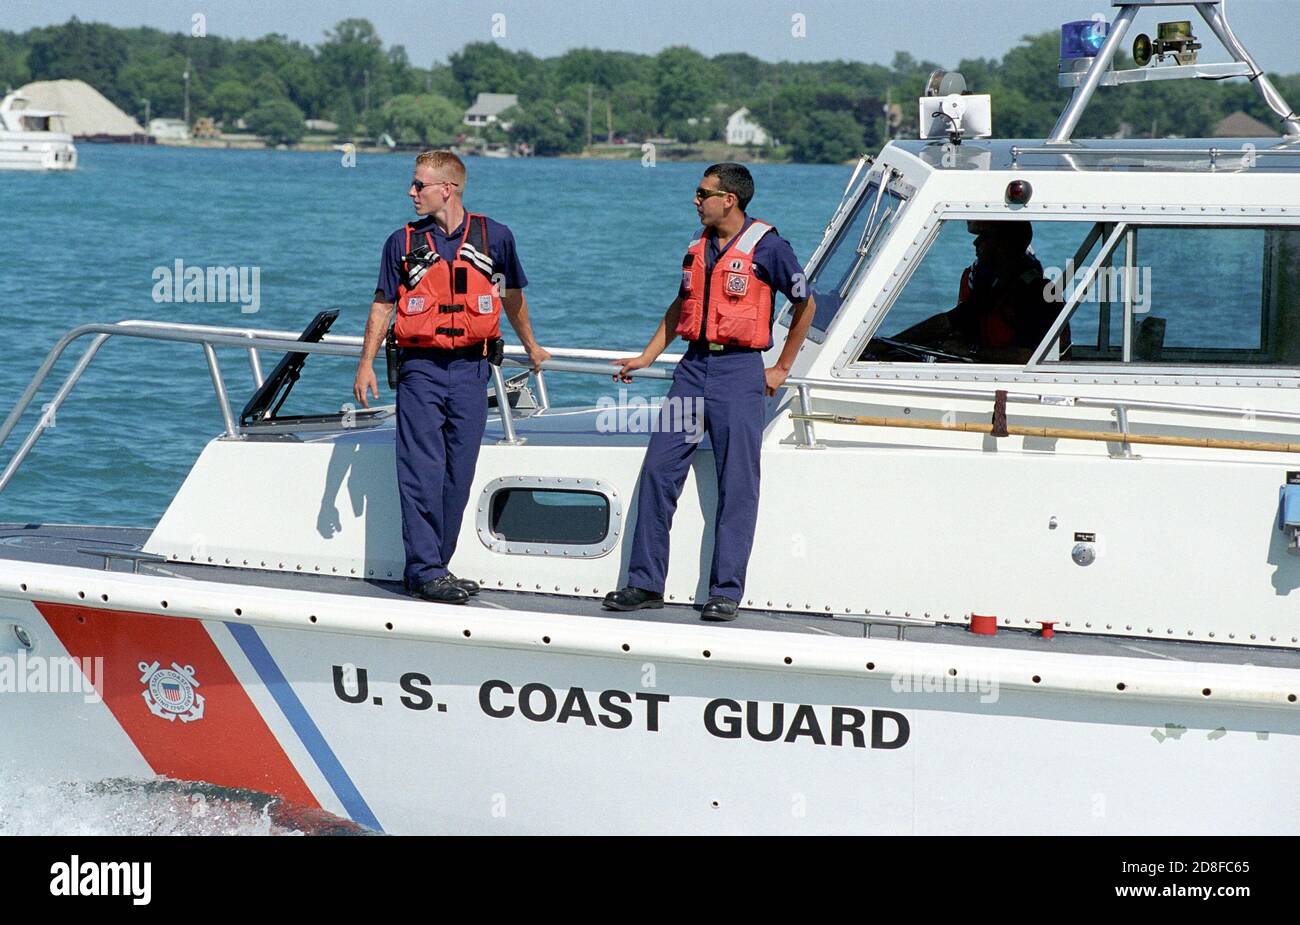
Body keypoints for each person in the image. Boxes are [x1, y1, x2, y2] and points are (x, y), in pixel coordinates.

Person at [603, 163, 815, 622]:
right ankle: (644, 582)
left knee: (737, 482)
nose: (695, 201)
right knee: (660, 471)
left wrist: (781, 367)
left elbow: (806, 303)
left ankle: (725, 590)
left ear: (729, 200)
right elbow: (682, 304)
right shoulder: (697, 248)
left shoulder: (769, 248)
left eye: (703, 194)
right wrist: (646, 356)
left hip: (739, 373)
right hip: (692, 369)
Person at [353, 150, 549, 605]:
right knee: (421, 469)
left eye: (418, 184)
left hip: (472, 369)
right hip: (421, 368)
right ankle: (425, 569)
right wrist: (365, 362)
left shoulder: (494, 236)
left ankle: (434, 567)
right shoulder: (399, 243)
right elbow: (384, 304)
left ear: (447, 188)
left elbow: (512, 296)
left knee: (458, 473)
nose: (411, 192)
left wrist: (531, 345)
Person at [873, 220, 1067, 364]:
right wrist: (890, 343)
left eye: (984, 237)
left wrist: (970, 351)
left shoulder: (1039, 294)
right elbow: (948, 321)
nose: (976, 244)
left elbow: (1029, 355)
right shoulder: (997, 290)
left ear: (1004, 244)